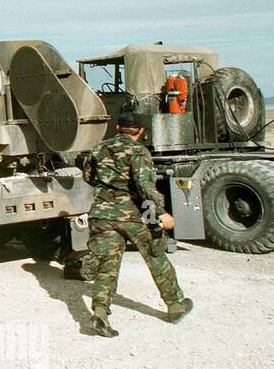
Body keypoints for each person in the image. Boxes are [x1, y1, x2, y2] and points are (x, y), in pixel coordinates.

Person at [82, 108, 193, 337]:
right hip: (133, 215)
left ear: (117, 128)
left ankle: (100, 314)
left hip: (102, 215)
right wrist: (162, 213)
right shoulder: (138, 151)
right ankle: (174, 305)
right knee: (155, 256)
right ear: (141, 131)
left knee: (107, 265)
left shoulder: (99, 148)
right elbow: (144, 184)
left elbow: (89, 177)